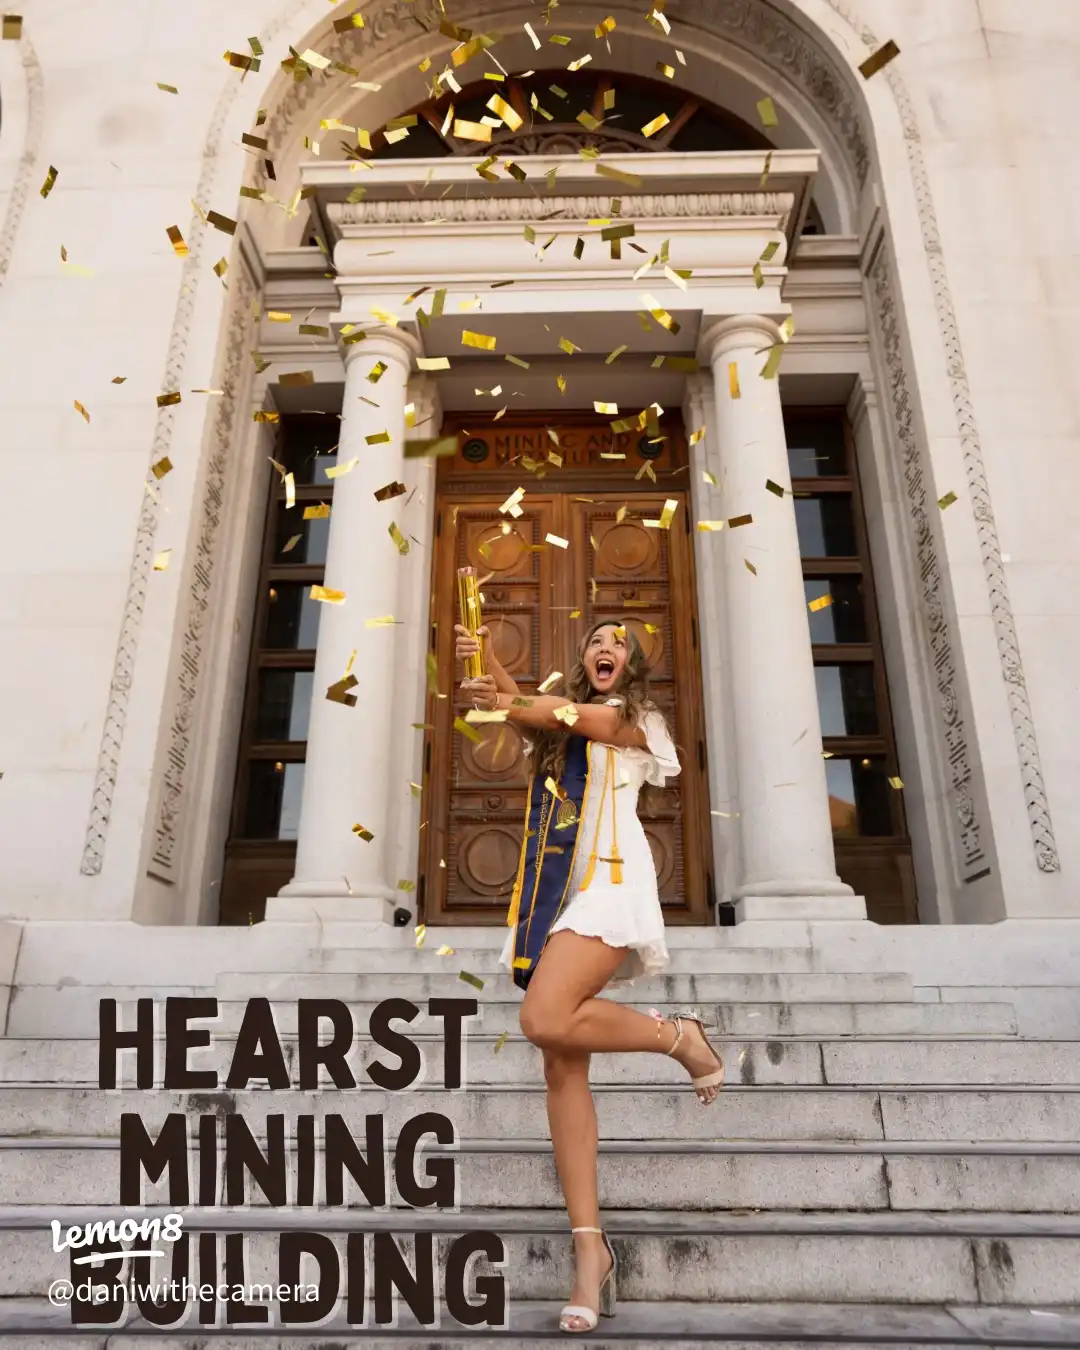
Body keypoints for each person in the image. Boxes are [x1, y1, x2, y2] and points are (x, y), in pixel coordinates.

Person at [455, 617, 726, 1335]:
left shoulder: (637, 722)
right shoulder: (563, 732)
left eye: (621, 642)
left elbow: (573, 716)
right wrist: (485, 668)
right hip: (554, 893)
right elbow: (543, 722)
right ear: (582, 656)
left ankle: (680, 1036)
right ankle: (590, 1256)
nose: (605, 647)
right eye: (595, 640)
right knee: (561, 1068)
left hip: (610, 885)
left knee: (543, 1017)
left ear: (632, 663)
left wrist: (500, 699)